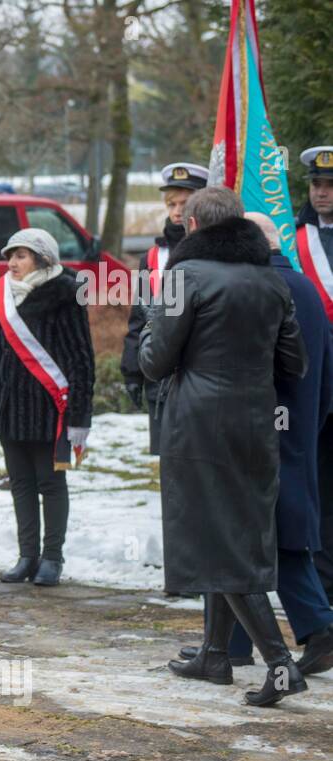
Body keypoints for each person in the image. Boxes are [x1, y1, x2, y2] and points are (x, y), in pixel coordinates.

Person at [141, 186, 309, 707]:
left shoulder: (183, 277)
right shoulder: (271, 280)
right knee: (233, 530)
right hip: (256, 421)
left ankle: (280, 664)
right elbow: (294, 364)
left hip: (198, 424)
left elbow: (153, 360)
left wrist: (153, 323)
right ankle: (214, 654)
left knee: (223, 541)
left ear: (192, 227)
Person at [175, 214, 333, 678]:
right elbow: (322, 373)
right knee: (258, 536)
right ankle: (224, 645)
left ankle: (311, 631)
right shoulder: (302, 286)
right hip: (292, 429)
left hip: (252, 428)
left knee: (243, 536)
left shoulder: (258, 285)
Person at [0, 228, 94, 587]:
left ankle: (52, 558)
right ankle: (27, 556)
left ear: (43, 259)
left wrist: (79, 414)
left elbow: (81, 358)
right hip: (9, 406)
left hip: (50, 409)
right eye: (10, 255)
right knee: (21, 483)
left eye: (21, 255)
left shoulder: (66, 294)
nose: (12, 262)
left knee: (50, 482)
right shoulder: (0, 295)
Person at [120, 162, 207, 455]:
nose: (178, 210)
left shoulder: (217, 251)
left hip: (203, 378)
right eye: (172, 203)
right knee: (169, 468)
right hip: (163, 380)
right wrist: (132, 371)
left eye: (186, 202)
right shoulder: (154, 257)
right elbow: (140, 316)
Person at [294, 146, 333, 606]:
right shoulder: (294, 237)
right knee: (318, 483)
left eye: (329, 186)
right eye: (315, 185)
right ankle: (323, 582)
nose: (321, 193)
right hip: (314, 379)